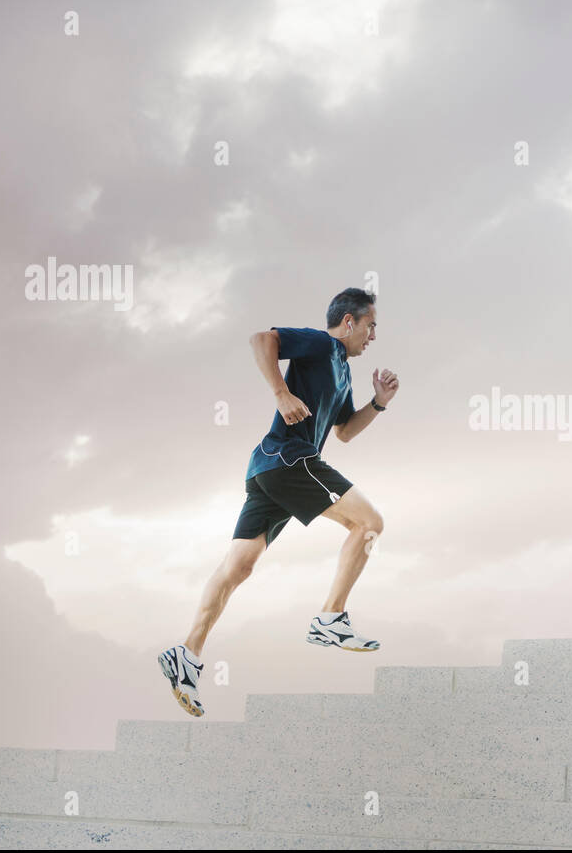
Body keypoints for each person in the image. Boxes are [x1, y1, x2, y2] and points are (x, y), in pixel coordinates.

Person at [157, 287, 398, 716]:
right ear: (349, 322)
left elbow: (343, 431)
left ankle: (186, 655)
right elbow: (262, 339)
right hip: (289, 459)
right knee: (369, 522)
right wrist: (280, 394)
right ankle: (331, 619)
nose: (373, 336)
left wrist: (378, 403)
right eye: (371, 326)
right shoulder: (323, 344)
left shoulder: (342, 373)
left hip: (269, 469)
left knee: (238, 566)